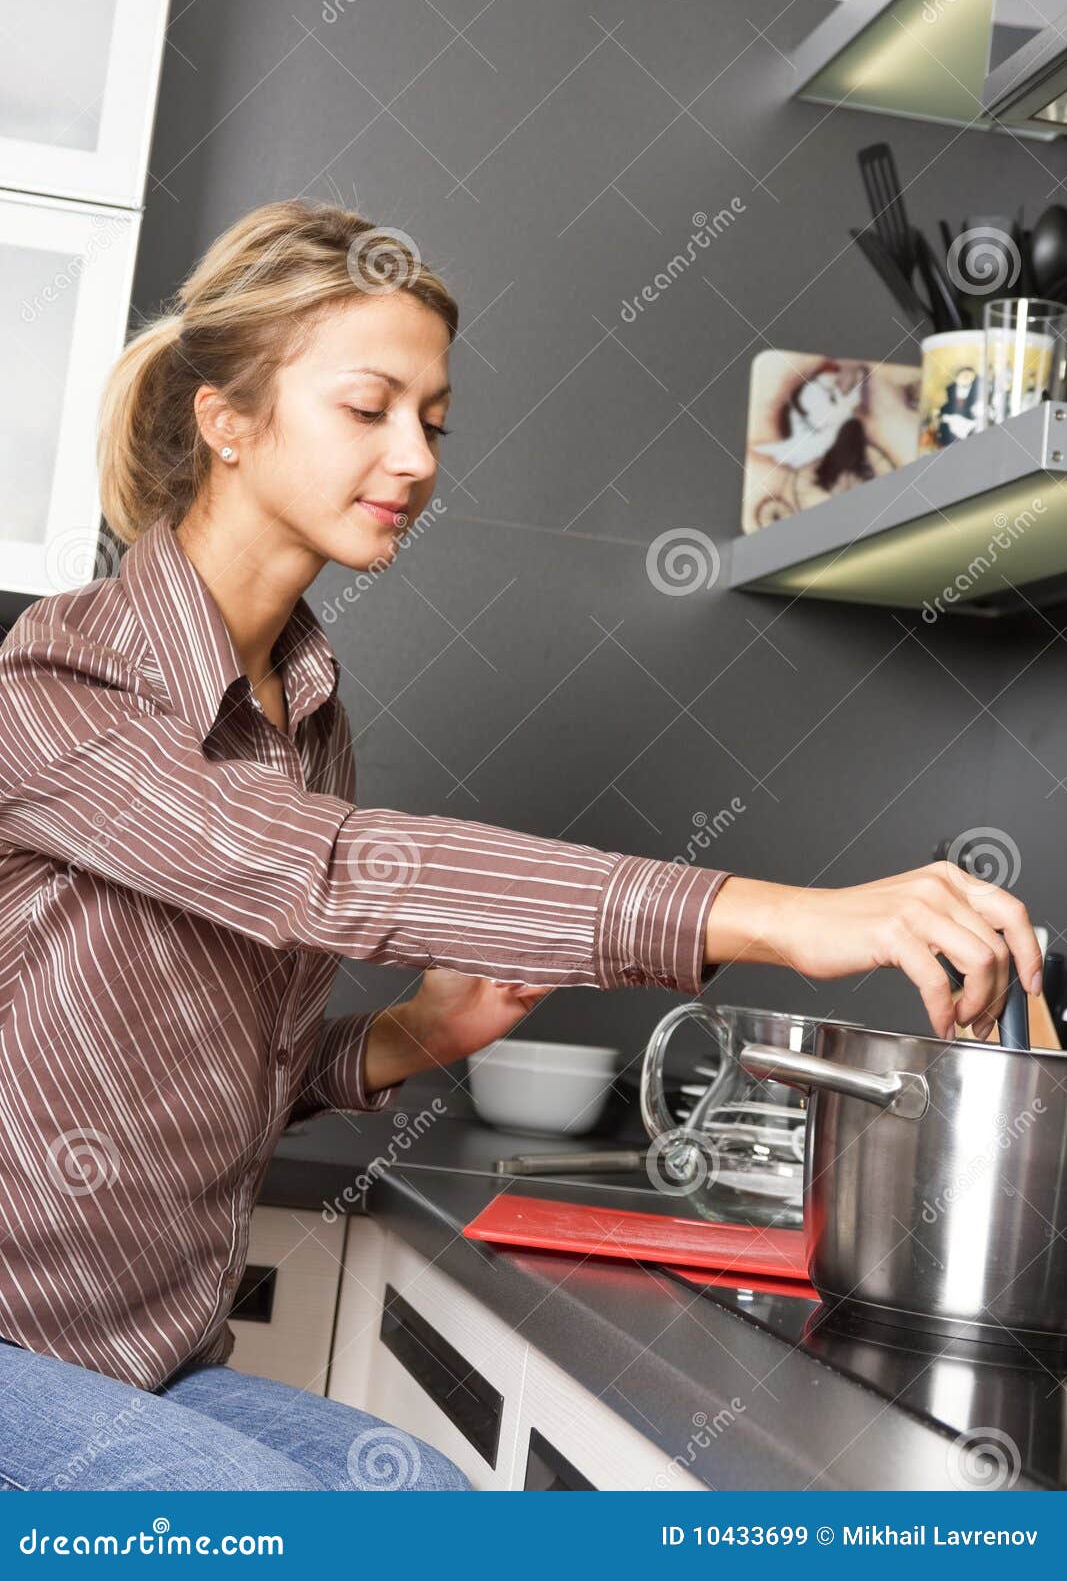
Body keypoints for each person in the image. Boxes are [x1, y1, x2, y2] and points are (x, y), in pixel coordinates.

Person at [0, 200, 1041, 1490]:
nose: (417, 457)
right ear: (226, 419)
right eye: (368, 407)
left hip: (145, 1357)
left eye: (433, 422)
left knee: (431, 1503)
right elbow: (326, 873)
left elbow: (211, 1061)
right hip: (13, 1340)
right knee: (267, 1522)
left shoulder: (306, 720)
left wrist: (413, 1041)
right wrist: (776, 916)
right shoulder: (64, 677)